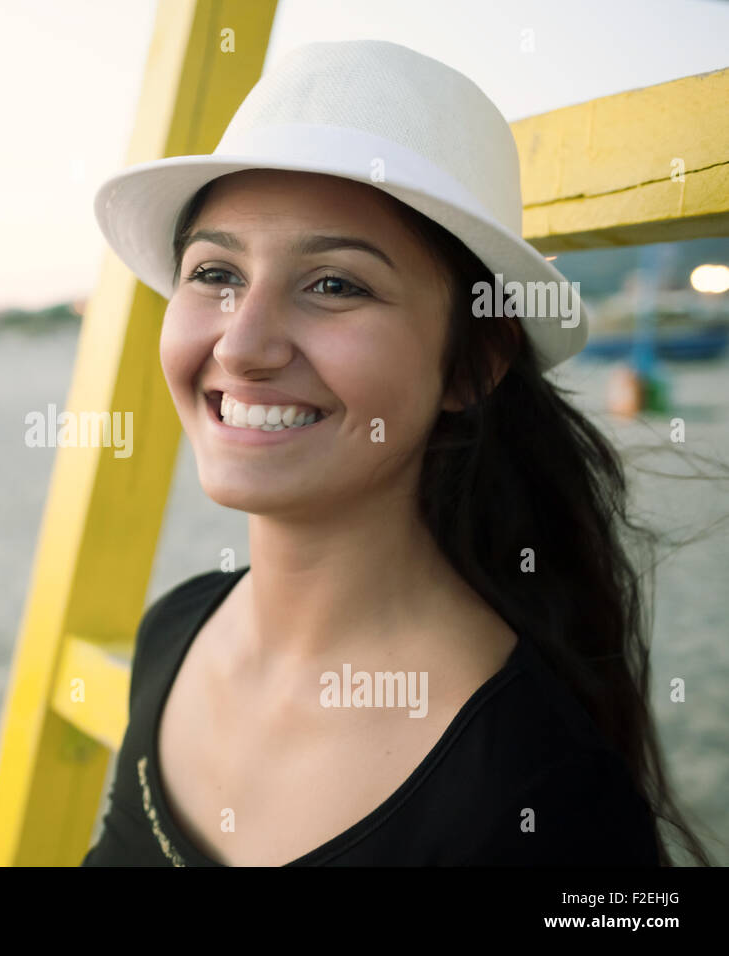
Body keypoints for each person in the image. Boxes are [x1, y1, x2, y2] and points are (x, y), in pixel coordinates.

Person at [81, 39, 711, 866]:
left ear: (473, 363)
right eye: (215, 272)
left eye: (335, 284)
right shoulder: (176, 630)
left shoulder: (544, 793)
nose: (243, 345)